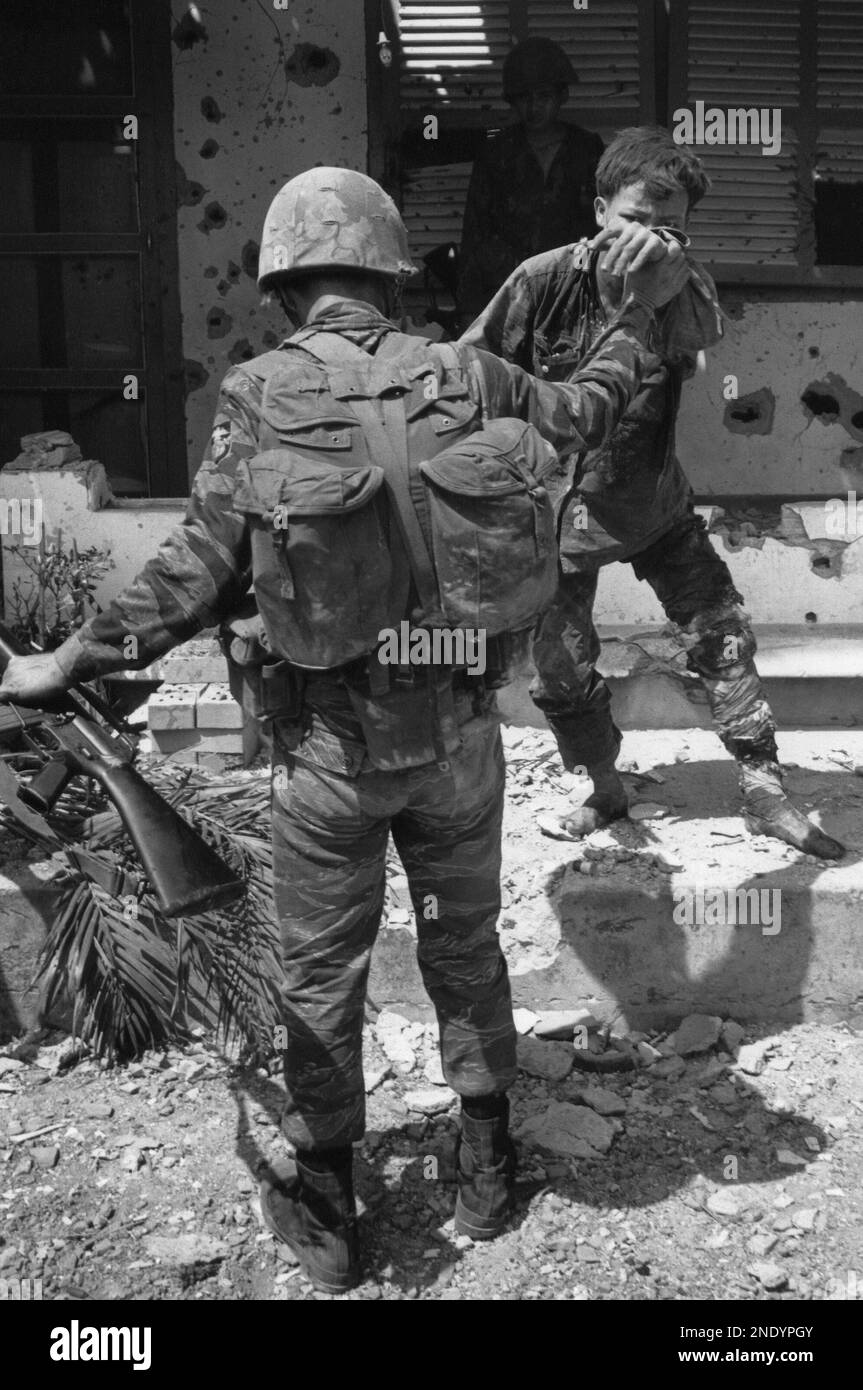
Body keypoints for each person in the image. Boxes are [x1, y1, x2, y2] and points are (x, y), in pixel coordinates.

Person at [0, 167, 687, 1294]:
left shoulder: (260, 392)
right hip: (461, 742)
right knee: (463, 945)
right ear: (388, 275)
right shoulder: (469, 373)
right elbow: (588, 409)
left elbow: (190, 571)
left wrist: (66, 658)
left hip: (328, 756)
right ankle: (484, 1162)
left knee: (323, 973)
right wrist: (635, 314)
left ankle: (327, 1208)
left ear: (286, 286)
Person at [461, 126, 845, 861]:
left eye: (668, 227)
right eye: (634, 221)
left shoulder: (678, 284)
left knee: (721, 636)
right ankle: (604, 790)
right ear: (600, 207)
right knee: (562, 667)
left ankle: (764, 789)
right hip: (556, 517)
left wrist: (666, 275)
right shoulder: (541, 278)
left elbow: (703, 338)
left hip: (655, 504)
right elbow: (472, 369)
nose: (648, 239)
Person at [457, 36, 603, 325]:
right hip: (507, 293)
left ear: (561, 96)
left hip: (571, 295)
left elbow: (606, 227)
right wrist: (469, 311)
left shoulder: (587, 150)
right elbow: (475, 233)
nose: (534, 107)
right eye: (525, 98)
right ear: (513, 100)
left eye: (544, 96)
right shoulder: (496, 152)